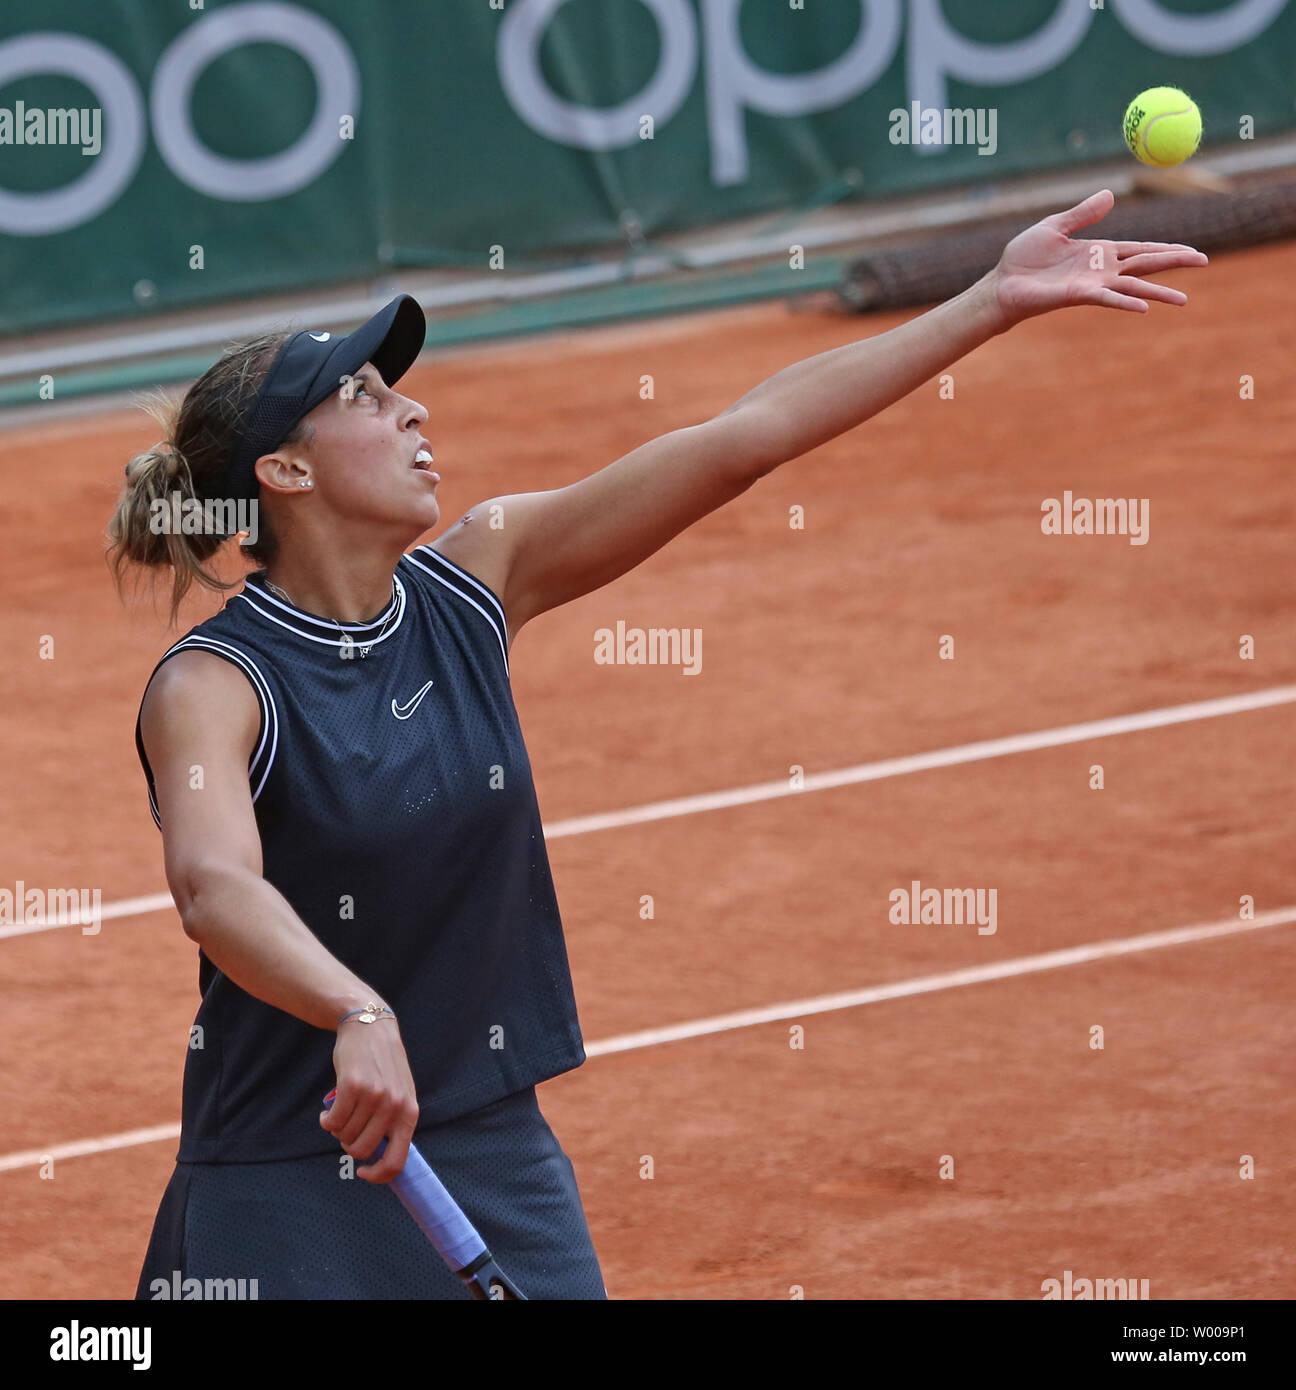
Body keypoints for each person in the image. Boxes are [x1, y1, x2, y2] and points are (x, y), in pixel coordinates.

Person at [108, 190, 1206, 1299]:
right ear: (284, 474)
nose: (414, 411)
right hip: (287, 1184)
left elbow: (745, 438)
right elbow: (212, 882)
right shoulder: (214, 684)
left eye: (398, 391)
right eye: (365, 398)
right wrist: (355, 1007)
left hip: (490, 1149)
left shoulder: (482, 575)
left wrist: (989, 299)